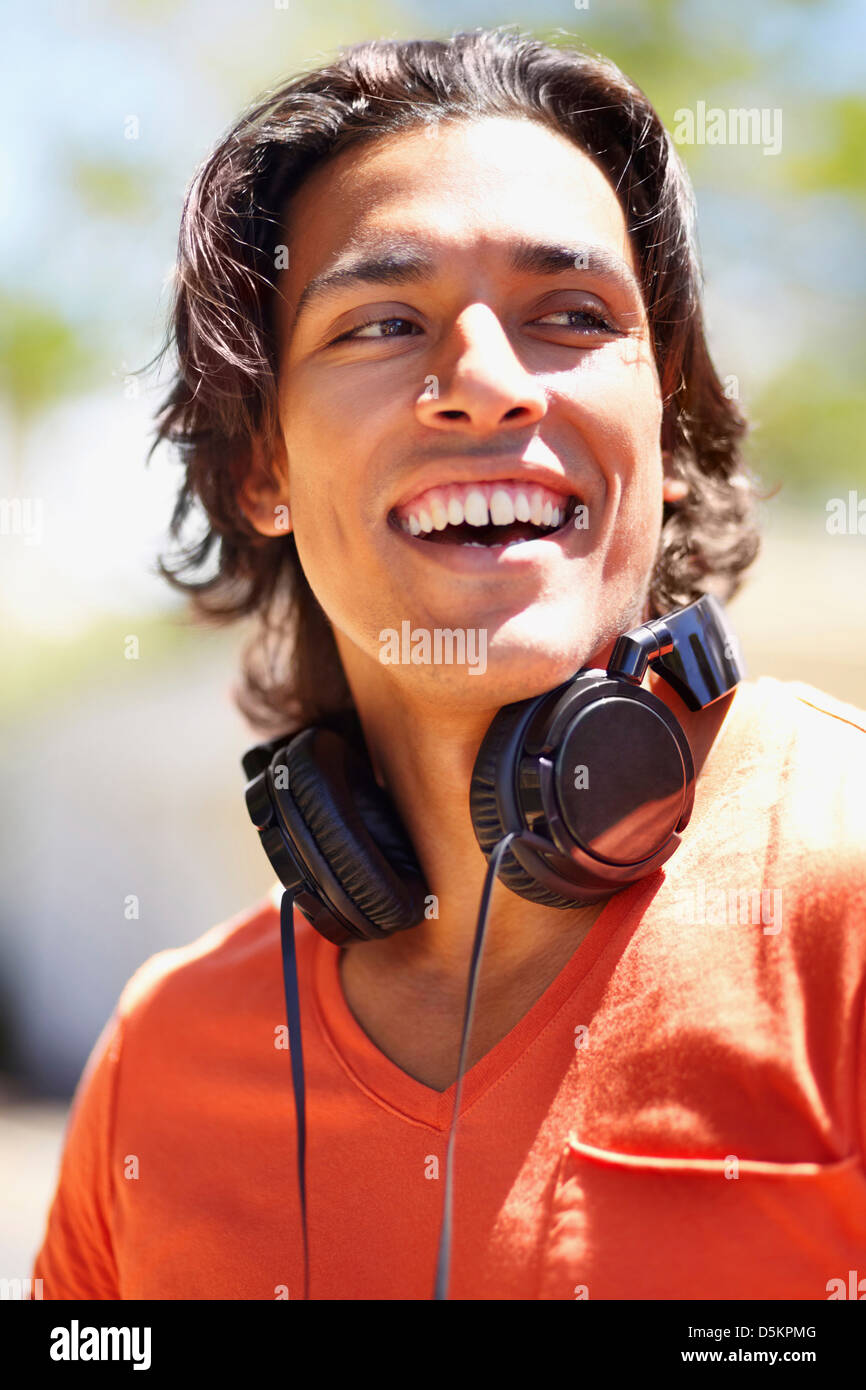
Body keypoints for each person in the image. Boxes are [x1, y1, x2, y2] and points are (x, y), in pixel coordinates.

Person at [33, 27, 866, 1301]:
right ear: (263, 465)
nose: (483, 385)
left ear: (667, 418)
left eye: (571, 315)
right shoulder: (164, 1056)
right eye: (381, 321)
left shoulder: (845, 884)